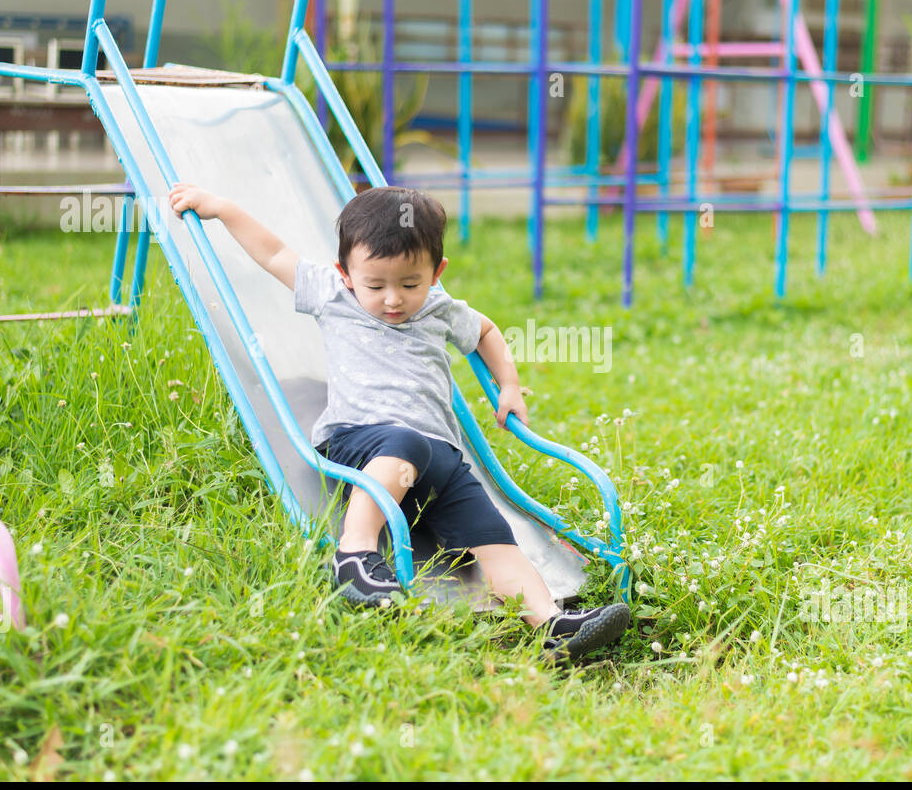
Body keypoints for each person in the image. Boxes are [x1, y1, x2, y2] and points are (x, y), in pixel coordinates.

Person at [167, 182, 630, 662]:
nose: (393, 298)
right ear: (345, 274)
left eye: (410, 284)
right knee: (404, 442)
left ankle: (551, 624)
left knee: (495, 537)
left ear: (436, 273)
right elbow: (274, 252)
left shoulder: (439, 308)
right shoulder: (332, 295)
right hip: (363, 442)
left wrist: (508, 385)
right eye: (376, 285)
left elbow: (487, 331)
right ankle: (355, 555)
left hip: (441, 459)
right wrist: (221, 207)